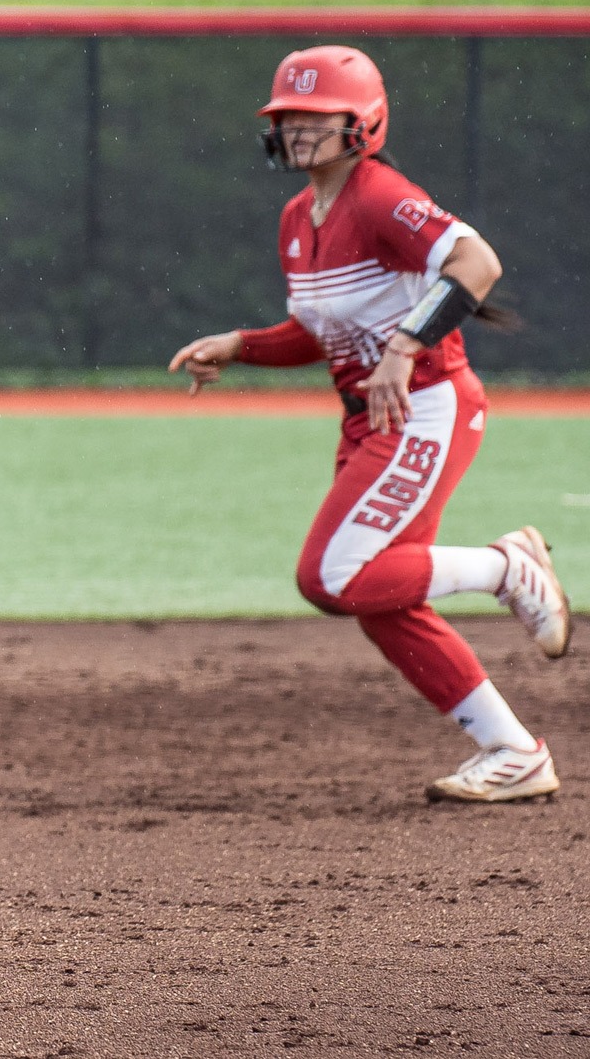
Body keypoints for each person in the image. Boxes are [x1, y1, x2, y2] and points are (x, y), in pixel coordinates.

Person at [168, 45, 572, 803]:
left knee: (330, 574)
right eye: (287, 116)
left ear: (364, 123)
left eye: (316, 117)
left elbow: (478, 263)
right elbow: (321, 332)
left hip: (426, 406)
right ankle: (513, 750)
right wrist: (242, 346)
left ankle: (505, 567)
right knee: (379, 598)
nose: (296, 129)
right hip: (373, 421)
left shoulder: (382, 195)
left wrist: (405, 345)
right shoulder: (299, 217)